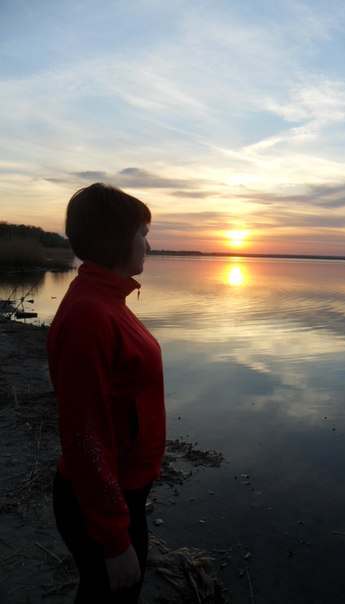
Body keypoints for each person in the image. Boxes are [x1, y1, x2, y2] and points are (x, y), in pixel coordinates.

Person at [47, 183, 166, 602]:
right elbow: (84, 433)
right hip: (101, 500)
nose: (148, 246)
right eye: (142, 234)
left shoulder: (107, 300)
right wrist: (114, 540)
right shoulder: (90, 315)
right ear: (116, 237)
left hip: (120, 492)